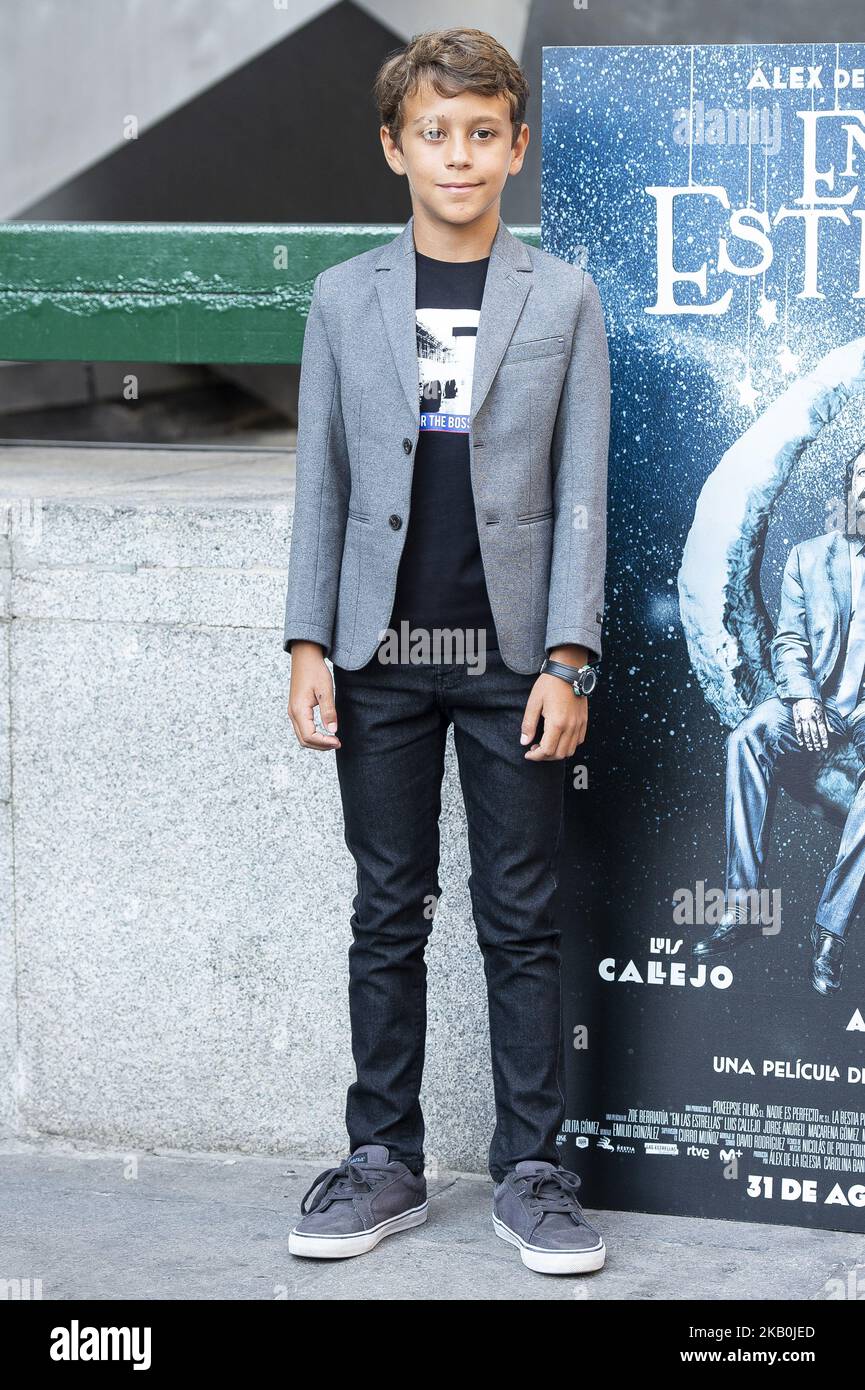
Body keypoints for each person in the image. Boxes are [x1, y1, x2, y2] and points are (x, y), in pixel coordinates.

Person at [282, 27, 610, 1275]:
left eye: (483, 133)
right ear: (394, 147)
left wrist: (569, 656)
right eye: (436, 133)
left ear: (514, 147)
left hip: (512, 657)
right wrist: (309, 641)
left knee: (520, 918)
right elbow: (322, 483)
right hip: (377, 653)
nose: (459, 155)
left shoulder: (562, 298)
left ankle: (534, 1169)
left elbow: (582, 491)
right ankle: (383, 1161)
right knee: (385, 908)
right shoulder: (344, 298)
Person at [695, 445, 865, 996]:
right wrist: (803, 699)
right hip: (810, 701)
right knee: (747, 737)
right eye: (861, 472)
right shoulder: (807, 558)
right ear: (847, 487)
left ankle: (830, 934)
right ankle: (742, 906)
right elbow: (789, 641)